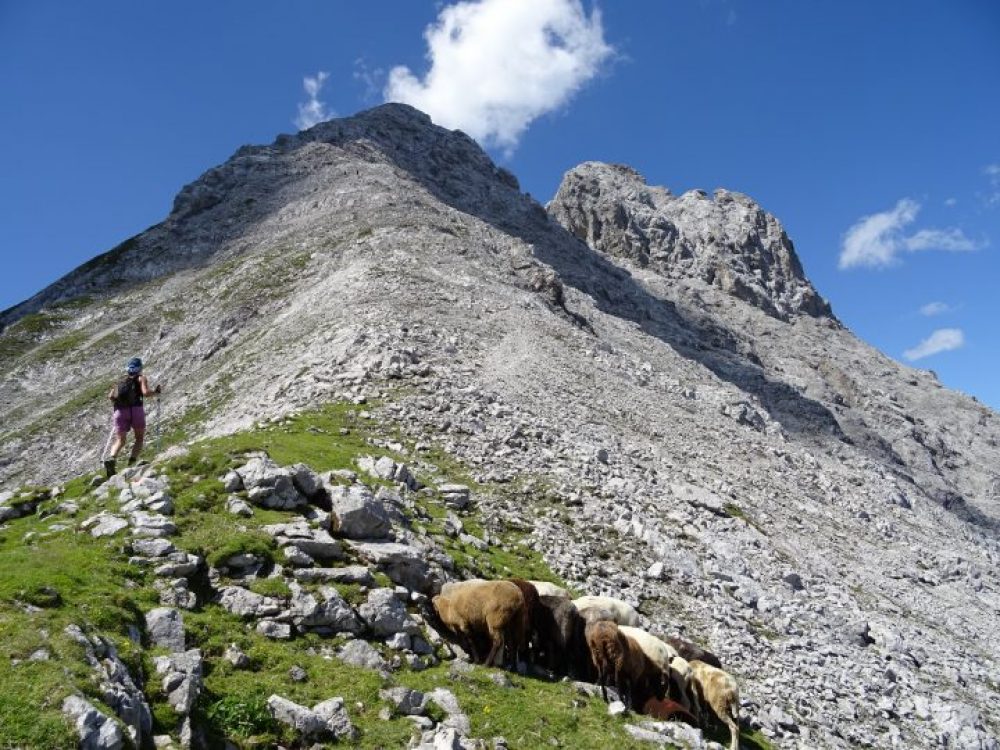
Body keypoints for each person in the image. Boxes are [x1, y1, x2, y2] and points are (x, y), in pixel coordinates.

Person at [104, 357, 161, 476]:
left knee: (120, 440)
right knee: (139, 438)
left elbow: (110, 397)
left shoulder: (119, 381)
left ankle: (112, 459)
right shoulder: (141, 378)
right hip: (136, 410)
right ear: (139, 368)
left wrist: (118, 402)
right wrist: (156, 392)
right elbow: (145, 393)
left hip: (120, 411)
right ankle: (131, 463)